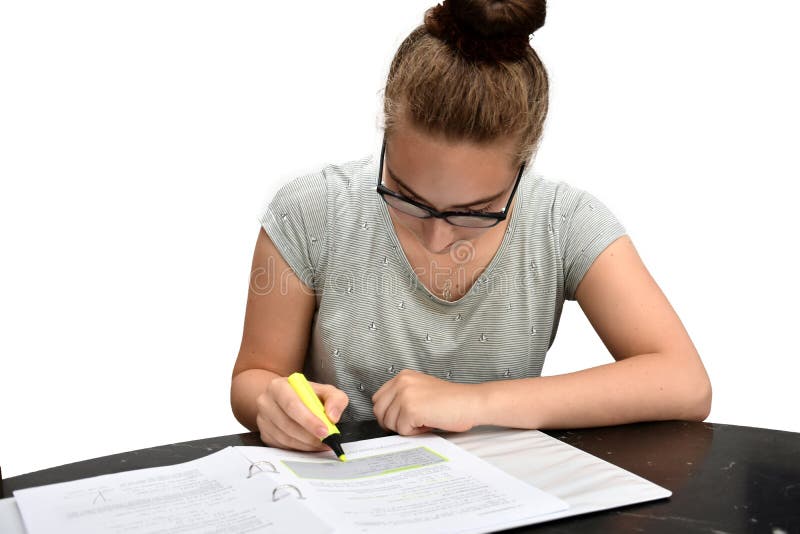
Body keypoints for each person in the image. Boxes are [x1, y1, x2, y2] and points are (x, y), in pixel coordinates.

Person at [230, 0, 712, 453]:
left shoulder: (563, 221)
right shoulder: (310, 211)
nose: (438, 237)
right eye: (405, 197)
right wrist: (272, 404)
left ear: (523, 167)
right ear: (385, 133)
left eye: (476, 212)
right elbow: (254, 376)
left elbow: (685, 384)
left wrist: (473, 402)